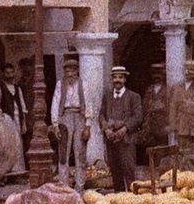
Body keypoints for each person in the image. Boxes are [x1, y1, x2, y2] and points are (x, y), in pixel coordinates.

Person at [50, 56, 93, 191]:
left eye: (73, 70)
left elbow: (89, 104)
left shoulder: (83, 84)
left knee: (80, 153)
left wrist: (88, 125)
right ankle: (64, 187)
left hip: (80, 117)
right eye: (68, 70)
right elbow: (55, 103)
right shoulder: (59, 84)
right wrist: (55, 124)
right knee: (63, 154)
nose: (70, 74)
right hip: (65, 117)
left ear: (77, 71)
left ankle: (80, 187)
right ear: (64, 71)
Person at [99, 66, 143, 192]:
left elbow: (138, 117)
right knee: (115, 170)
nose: (117, 80)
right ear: (112, 79)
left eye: (120, 77)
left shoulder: (134, 97)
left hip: (126, 139)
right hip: (111, 139)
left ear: (125, 79)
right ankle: (119, 200)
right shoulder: (107, 96)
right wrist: (106, 128)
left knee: (129, 170)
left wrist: (125, 128)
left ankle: (133, 200)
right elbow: (101, 114)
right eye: (115, 77)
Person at [140, 63, 170, 149]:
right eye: (154, 74)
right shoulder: (149, 89)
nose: (157, 76)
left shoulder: (168, 90)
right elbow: (144, 108)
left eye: (159, 74)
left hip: (163, 128)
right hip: (150, 128)